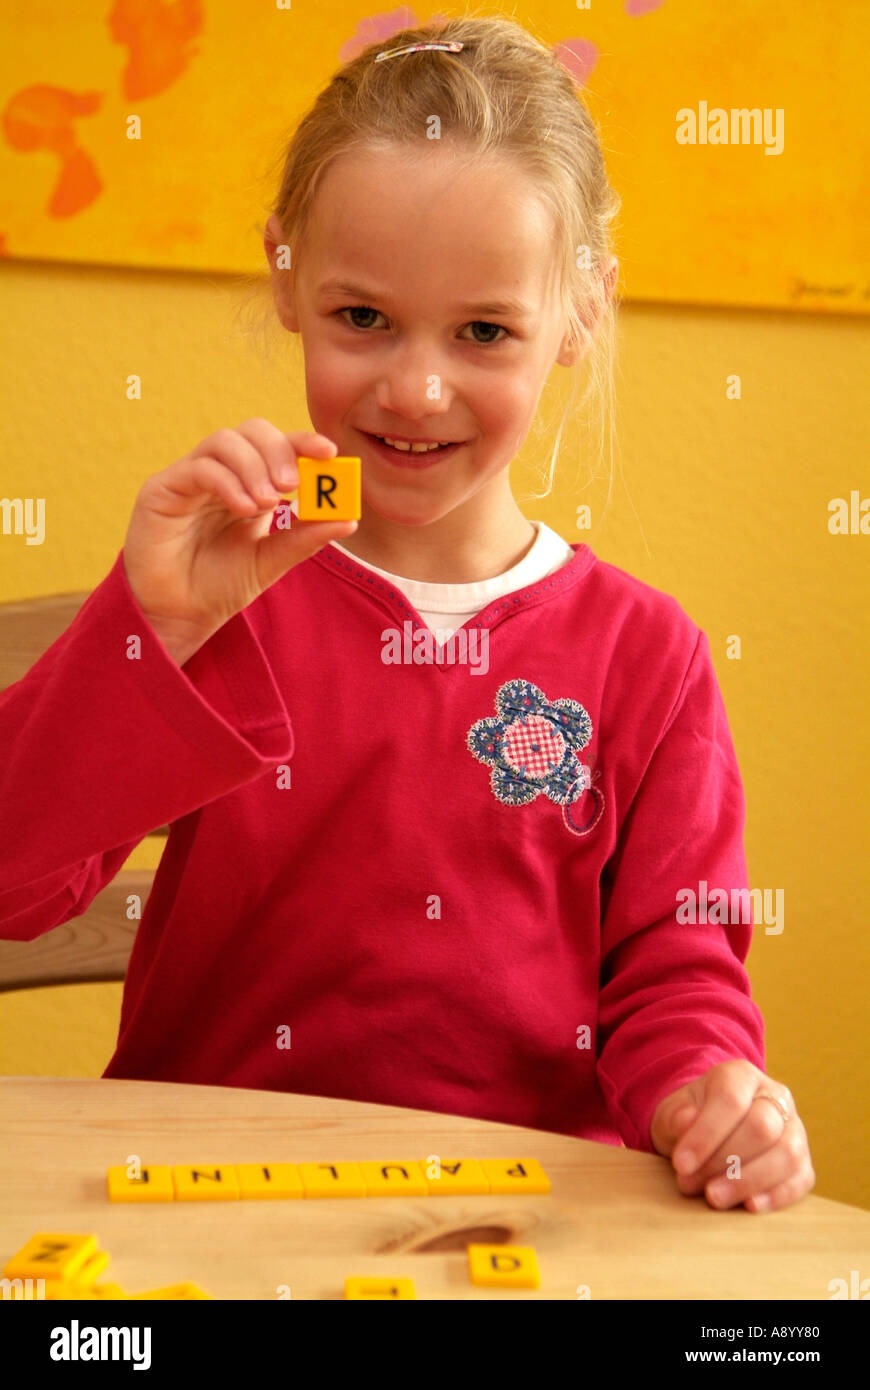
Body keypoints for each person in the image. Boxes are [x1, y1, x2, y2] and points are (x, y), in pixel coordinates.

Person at [0, 16, 813, 1215]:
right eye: (364, 318)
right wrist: (152, 632)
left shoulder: (650, 654)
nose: (416, 387)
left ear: (583, 311)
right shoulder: (222, 589)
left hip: (516, 1219)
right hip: (194, 1203)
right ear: (286, 278)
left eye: (484, 331)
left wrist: (704, 1086)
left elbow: (676, 976)